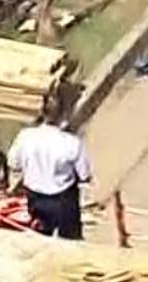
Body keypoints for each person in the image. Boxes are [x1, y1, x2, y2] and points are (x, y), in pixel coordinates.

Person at [6, 93, 92, 240]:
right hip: (63, 199)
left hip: (35, 198)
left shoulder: (25, 137)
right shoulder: (71, 142)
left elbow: (13, 163)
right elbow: (84, 175)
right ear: (64, 115)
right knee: (71, 243)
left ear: (42, 112)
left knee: (38, 239)